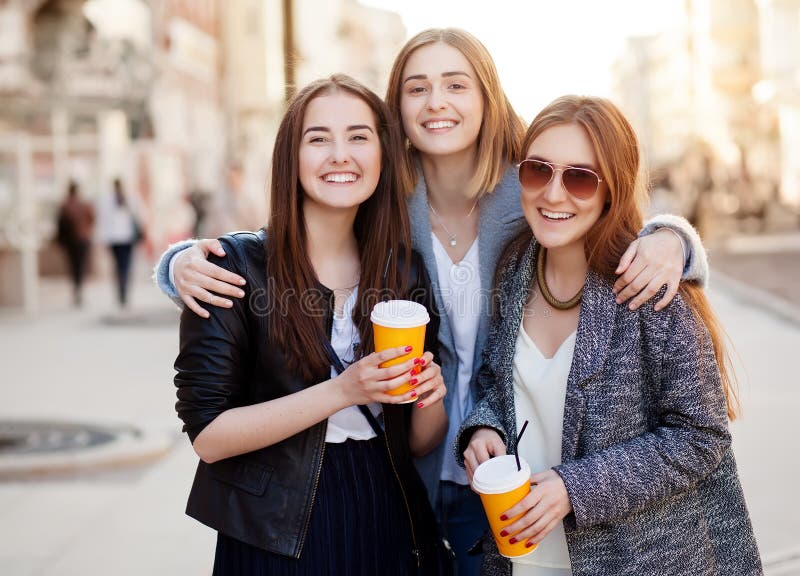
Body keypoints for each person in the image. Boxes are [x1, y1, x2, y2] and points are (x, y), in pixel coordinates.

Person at [154, 29, 708, 575]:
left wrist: (673, 237)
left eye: (456, 84)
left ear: (488, 97)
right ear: (396, 112)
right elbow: (298, 234)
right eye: (417, 87)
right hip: (410, 475)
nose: (436, 102)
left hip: (515, 478)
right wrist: (179, 261)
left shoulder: (534, 193)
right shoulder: (388, 203)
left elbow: (611, 222)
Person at [457, 95, 762, 576]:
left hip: (639, 559)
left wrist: (575, 488)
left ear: (610, 190)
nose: (554, 194)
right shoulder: (515, 268)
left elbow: (701, 437)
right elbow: (500, 382)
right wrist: (485, 429)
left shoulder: (652, 288)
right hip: (525, 558)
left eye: (579, 178)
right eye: (539, 170)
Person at [174, 74, 450, 575]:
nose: (340, 154)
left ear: (383, 156)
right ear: (290, 158)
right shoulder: (234, 268)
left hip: (384, 506)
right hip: (275, 524)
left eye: (359, 137)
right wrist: (342, 391)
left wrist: (430, 393)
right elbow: (208, 435)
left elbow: (417, 441)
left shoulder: (402, 269)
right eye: (318, 138)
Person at [97, 178, 142, 308]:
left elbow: (104, 221)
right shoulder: (111, 200)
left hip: (122, 239)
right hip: (120, 239)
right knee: (123, 267)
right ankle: (122, 293)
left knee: (121, 267)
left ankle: (122, 293)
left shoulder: (128, 199)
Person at [56, 180, 95, 307]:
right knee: (80, 266)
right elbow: (92, 220)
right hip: (82, 240)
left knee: (74, 266)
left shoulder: (65, 205)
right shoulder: (84, 204)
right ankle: (78, 289)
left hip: (70, 241)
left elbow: (59, 224)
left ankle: (76, 289)